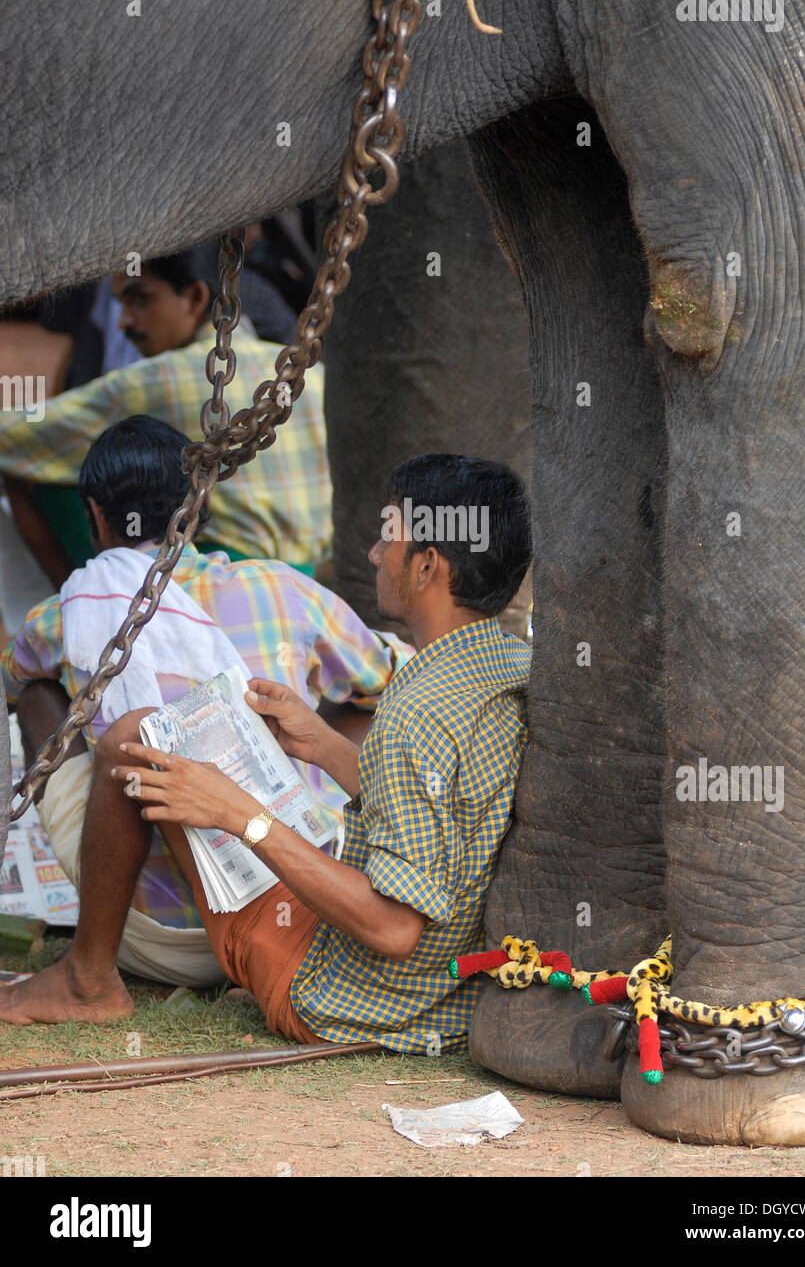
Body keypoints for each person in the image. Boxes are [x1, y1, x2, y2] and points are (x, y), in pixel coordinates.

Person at [0, 455, 533, 1053]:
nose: (374, 554)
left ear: (428, 565)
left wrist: (239, 815)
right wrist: (321, 744)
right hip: (435, 989)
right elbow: (438, 808)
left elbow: (393, 927)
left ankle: (86, 979)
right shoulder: (503, 664)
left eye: (389, 537)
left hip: (338, 992)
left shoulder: (415, 712)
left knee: (134, 737)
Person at [1, 416, 409, 987]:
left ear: (95, 516)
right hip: (302, 911)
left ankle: (91, 959)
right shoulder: (282, 587)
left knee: (41, 697)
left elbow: (15, 679)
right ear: (201, 502)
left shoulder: (67, 612)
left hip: (150, 938)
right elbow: (395, 675)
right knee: (366, 696)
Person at [0, 246, 331, 594]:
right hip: (305, 577)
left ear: (194, 297)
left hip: (220, 579)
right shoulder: (307, 375)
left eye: (139, 300)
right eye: (121, 305)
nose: (124, 322)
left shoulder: (155, 379)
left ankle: (79, 600)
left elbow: (14, 437)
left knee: (29, 468)